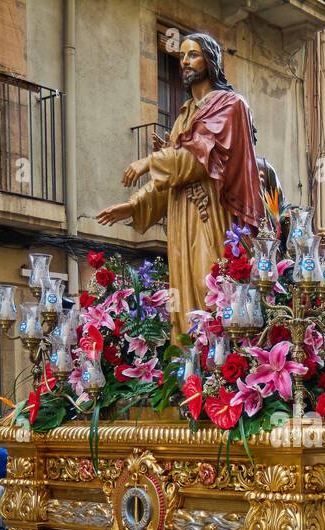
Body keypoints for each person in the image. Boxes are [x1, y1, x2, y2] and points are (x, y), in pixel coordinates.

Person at [97, 33, 263, 338]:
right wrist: (134, 204)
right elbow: (171, 179)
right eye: (182, 56)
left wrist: (149, 161)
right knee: (184, 306)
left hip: (212, 215)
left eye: (193, 55)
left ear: (210, 61)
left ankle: (218, 369)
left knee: (209, 287)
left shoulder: (232, 104)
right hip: (181, 220)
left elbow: (196, 158)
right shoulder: (185, 115)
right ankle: (188, 376)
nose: (184, 62)